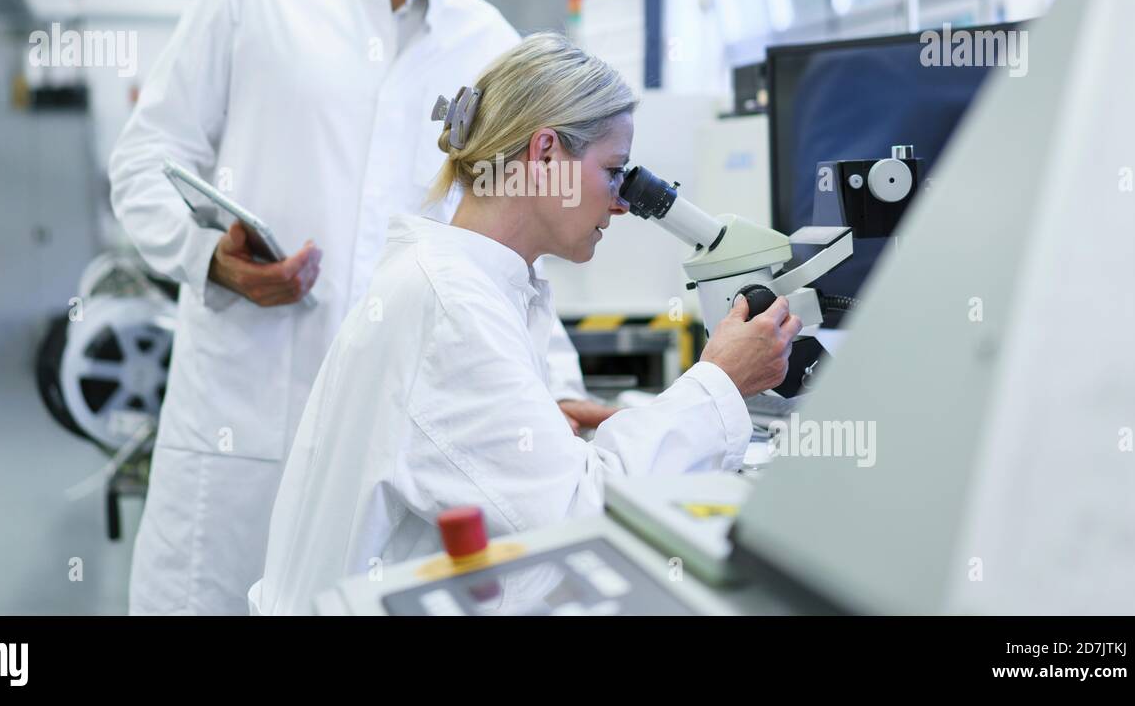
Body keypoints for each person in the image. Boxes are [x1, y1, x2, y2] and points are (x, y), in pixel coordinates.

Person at [108, 0, 606, 615]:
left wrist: (545, 390)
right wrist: (210, 262)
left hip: (400, 446)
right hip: (245, 423)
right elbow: (145, 158)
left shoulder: (489, 47)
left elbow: (510, 249)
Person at [251, 33, 803, 614]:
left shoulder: (470, 283)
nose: (620, 203)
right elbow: (577, 520)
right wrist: (720, 382)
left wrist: (549, 424)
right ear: (544, 155)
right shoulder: (452, 304)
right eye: (614, 171)